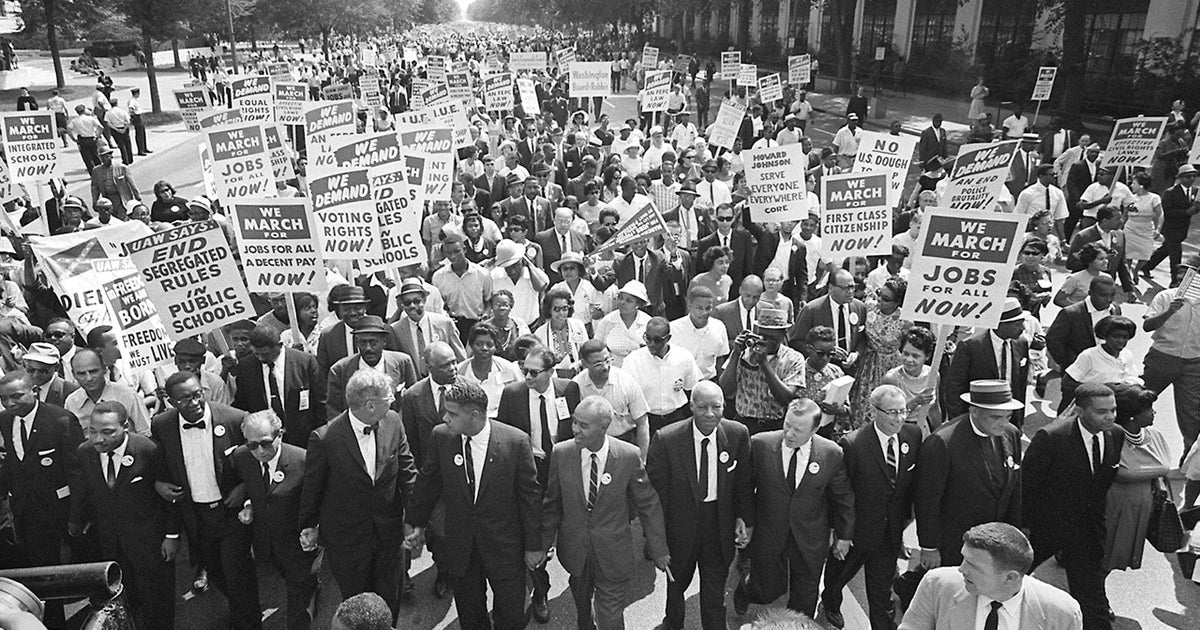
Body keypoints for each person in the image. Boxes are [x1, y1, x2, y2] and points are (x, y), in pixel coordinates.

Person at [405, 380, 543, 630]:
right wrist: (415, 523)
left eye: (452, 413)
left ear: (475, 415)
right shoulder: (441, 437)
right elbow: (428, 483)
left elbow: (530, 498)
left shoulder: (515, 442)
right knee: (470, 615)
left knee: (512, 616)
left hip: (503, 546)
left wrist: (534, 546)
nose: (445, 418)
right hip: (461, 545)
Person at [541, 395, 670, 630]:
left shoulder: (628, 456)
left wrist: (659, 549)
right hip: (575, 551)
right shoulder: (561, 453)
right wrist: (541, 545)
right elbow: (552, 504)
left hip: (613, 552)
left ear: (603, 428)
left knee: (610, 615)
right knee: (582, 604)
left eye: (583, 425)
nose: (575, 430)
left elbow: (648, 503)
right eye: (574, 422)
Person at [299, 369, 416, 619]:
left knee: (389, 602)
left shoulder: (393, 421)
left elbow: (407, 471)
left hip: (389, 535)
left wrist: (416, 518)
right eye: (389, 397)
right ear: (370, 405)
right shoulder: (325, 438)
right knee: (357, 609)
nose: (393, 400)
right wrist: (309, 526)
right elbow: (313, 488)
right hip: (347, 542)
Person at [151, 371, 260, 630]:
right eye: (185, 399)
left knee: (238, 573)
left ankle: (251, 623)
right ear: (171, 401)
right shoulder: (162, 424)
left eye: (198, 394)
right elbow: (161, 466)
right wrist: (158, 483)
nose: (195, 402)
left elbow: (257, 463)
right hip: (196, 516)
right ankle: (240, 614)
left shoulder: (235, 419)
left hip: (231, 513)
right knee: (217, 572)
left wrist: (244, 488)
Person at [733, 398, 854, 618]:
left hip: (810, 536)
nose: (789, 434)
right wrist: (745, 520)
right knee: (766, 590)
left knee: (804, 600)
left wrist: (844, 536)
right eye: (787, 425)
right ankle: (745, 588)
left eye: (798, 430)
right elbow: (744, 488)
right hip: (769, 530)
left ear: (815, 429)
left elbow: (843, 497)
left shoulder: (831, 453)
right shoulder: (760, 444)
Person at [645, 381, 753, 630]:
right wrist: (656, 542)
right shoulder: (666, 439)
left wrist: (744, 519)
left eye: (716, 407)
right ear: (691, 406)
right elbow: (654, 498)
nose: (709, 414)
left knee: (715, 591)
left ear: (724, 406)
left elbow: (744, 484)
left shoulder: (737, 434)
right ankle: (673, 623)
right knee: (677, 585)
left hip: (719, 524)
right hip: (680, 526)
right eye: (702, 407)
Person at [69, 402, 177, 630]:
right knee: (125, 598)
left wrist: (172, 536)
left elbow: (172, 499)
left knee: (157, 599)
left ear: (125, 427)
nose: (98, 439)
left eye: (107, 432)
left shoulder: (148, 450)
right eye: (93, 431)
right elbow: (86, 493)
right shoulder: (85, 452)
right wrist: (78, 521)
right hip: (111, 541)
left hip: (150, 541)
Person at [821, 385, 922, 630]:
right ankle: (831, 603)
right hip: (856, 533)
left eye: (903, 412)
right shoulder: (853, 444)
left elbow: (908, 487)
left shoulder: (913, 435)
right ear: (873, 411)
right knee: (837, 579)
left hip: (889, 534)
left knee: (881, 596)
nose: (899, 418)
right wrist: (842, 534)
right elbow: (841, 494)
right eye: (892, 413)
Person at [1023, 382, 1122, 630]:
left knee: (1092, 601)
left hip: (1087, 531)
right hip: (1045, 528)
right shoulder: (1051, 437)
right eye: (1101, 411)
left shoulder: (1115, 435)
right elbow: (1026, 487)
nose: (1109, 416)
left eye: (1113, 409)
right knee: (1009, 578)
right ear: (1079, 411)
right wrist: (1023, 528)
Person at [0, 370, 83, 626]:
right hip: (28, 514)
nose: (10, 404)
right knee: (45, 579)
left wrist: (77, 517)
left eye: (16, 396)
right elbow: (14, 465)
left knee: (81, 574)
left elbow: (76, 473)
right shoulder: (5, 420)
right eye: (4, 399)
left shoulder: (60, 420)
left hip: (63, 511)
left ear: (34, 391)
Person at [915, 380, 1024, 568]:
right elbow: (927, 501)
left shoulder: (1011, 434)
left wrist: (1014, 533)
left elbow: (1015, 489)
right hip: (956, 544)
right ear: (974, 411)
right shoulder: (942, 443)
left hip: (995, 542)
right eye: (996, 417)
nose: (1003, 423)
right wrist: (929, 546)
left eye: (1008, 416)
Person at [898, 522, 1083, 630]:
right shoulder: (937, 585)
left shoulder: (1063, 614)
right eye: (964, 559)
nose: (961, 569)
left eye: (973, 565)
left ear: (1010, 578)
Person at [230, 410, 320, 630]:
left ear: (280, 434)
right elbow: (253, 487)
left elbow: (322, 500)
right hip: (266, 544)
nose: (260, 451)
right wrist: (249, 505)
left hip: (299, 546)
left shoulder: (304, 460)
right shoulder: (242, 457)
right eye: (252, 445)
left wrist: (317, 529)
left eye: (266, 443)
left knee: (298, 607)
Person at [1104, 383, 1171, 572]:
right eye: (1148, 409)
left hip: (1142, 510)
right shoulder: (1112, 438)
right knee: (1102, 558)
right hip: (1113, 508)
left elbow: (1161, 469)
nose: (1153, 413)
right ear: (1132, 415)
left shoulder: (1155, 436)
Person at [1140, 255, 1200, 461]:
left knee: (1190, 413)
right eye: (1183, 273)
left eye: (1192, 274)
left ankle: (1190, 459)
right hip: (1162, 358)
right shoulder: (1166, 297)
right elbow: (1147, 326)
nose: (1185, 277)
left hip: (1194, 363)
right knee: (1140, 401)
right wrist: (1169, 312)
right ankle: (1125, 445)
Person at [232, 326, 326, 448]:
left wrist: (318, 436)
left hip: (303, 439)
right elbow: (242, 403)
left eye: (265, 354)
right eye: (256, 354)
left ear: (279, 345)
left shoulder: (304, 362)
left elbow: (321, 402)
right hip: (266, 441)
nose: (260, 358)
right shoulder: (246, 366)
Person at [943, 298, 1030, 425]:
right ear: (1001, 324)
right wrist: (960, 423)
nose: (1023, 328)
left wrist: (1019, 422)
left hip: (1009, 419)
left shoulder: (1021, 343)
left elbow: (1021, 387)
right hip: (979, 419)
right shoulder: (970, 346)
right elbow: (954, 389)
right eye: (1017, 324)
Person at [326, 316, 417, 418]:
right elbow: (333, 412)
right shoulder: (339, 370)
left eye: (373, 342)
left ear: (384, 342)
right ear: (357, 343)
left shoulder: (403, 363)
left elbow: (413, 402)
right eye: (363, 343)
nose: (368, 348)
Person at [623, 317, 702, 433]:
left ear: (668, 338)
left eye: (657, 340)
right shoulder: (633, 360)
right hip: (646, 420)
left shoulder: (684, 357)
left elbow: (693, 389)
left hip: (677, 418)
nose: (651, 344)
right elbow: (627, 397)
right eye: (647, 338)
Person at [849, 277, 911, 421]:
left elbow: (905, 348)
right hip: (867, 364)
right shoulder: (869, 308)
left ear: (898, 302)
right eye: (879, 294)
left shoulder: (905, 321)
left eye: (886, 299)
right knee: (862, 406)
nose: (879, 300)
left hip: (889, 365)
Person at [789, 269, 868, 376]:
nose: (850, 292)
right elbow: (796, 341)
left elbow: (863, 338)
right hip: (821, 371)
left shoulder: (860, 307)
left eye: (852, 287)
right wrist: (825, 353)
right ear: (830, 288)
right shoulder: (812, 309)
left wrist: (856, 354)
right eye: (846, 288)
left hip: (851, 369)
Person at [1045, 275, 1121, 376]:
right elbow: (1053, 340)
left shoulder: (1115, 309)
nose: (1108, 299)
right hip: (1078, 373)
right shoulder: (1071, 313)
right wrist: (1071, 363)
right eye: (1103, 295)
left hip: (1105, 371)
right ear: (1090, 293)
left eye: (1112, 295)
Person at [390, 278, 466, 378]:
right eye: (408, 303)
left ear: (425, 300)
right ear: (402, 305)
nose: (412, 306)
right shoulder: (396, 329)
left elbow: (461, 358)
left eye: (417, 301)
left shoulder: (445, 323)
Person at [65, 348, 150, 434]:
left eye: (93, 371)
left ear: (104, 369)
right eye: (81, 374)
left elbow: (145, 432)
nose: (89, 378)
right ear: (73, 374)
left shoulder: (128, 395)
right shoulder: (71, 402)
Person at [1140, 163, 1200, 282]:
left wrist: (1196, 208)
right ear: (1181, 178)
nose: (1192, 179)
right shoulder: (1170, 192)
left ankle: (1147, 266)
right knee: (1175, 254)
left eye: (1194, 176)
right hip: (1170, 228)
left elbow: (1195, 207)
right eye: (1188, 176)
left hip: (1183, 228)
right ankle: (1175, 280)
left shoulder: (1196, 191)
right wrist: (1186, 212)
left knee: (1166, 249)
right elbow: (1165, 211)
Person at [1061, 316, 1141, 406]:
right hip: (1090, 404)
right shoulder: (1090, 355)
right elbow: (1067, 383)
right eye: (1116, 336)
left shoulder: (1127, 354)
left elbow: (1132, 377)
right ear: (1105, 336)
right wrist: (1101, 389)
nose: (1120, 341)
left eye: (1125, 337)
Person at [432, 233, 494, 343]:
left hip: (476, 324)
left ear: (464, 249)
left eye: (457, 251)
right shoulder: (438, 276)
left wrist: (485, 315)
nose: (453, 256)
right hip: (452, 325)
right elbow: (440, 304)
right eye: (448, 253)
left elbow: (488, 300)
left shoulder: (483, 274)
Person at [456, 322, 522, 418]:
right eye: (479, 344)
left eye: (489, 344)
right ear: (471, 345)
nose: (484, 348)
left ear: (495, 346)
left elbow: (518, 396)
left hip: (502, 421)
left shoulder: (508, 368)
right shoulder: (460, 371)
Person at [532, 288, 589, 376]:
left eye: (565, 308)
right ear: (549, 310)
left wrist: (577, 366)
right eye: (557, 309)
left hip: (577, 375)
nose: (561, 313)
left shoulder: (578, 325)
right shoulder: (540, 333)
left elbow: (586, 353)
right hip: (552, 378)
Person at [593, 281, 652, 367]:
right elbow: (596, 349)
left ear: (638, 304)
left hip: (641, 370)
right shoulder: (607, 321)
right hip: (613, 371)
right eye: (621, 298)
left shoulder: (648, 323)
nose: (623, 302)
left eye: (629, 301)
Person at [1126, 171, 1163, 279]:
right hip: (1130, 227)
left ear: (1141, 185)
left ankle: (1136, 269)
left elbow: (1160, 214)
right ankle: (1128, 273)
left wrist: (1158, 229)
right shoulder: (1130, 197)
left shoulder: (1154, 198)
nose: (1132, 185)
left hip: (1146, 228)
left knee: (1146, 254)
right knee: (1128, 253)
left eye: (1134, 183)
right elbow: (1124, 215)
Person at [1055, 242, 1112, 308]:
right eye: (1101, 259)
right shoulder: (1075, 278)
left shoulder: (1107, 278)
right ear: (1090, 261)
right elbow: (1059, 299)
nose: (1106, 261)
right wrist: (1079, 310)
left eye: (1106, 258)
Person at [22, 342, 78, 408]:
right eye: (30, 370)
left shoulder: (70, 392)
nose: (35, 375)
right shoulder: (20, 388)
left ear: (56, 367)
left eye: (43, 371)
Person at [89, 144, 139, 213]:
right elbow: (94, 188)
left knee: (123, 218)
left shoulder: (122, 168)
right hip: (108, 199)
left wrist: (138, 198)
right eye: (102, 157)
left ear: (111, 156)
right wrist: (95, 201)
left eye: (107, 157)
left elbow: (132, 184)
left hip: (121, 198)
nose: (105, 159)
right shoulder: (96, 171)